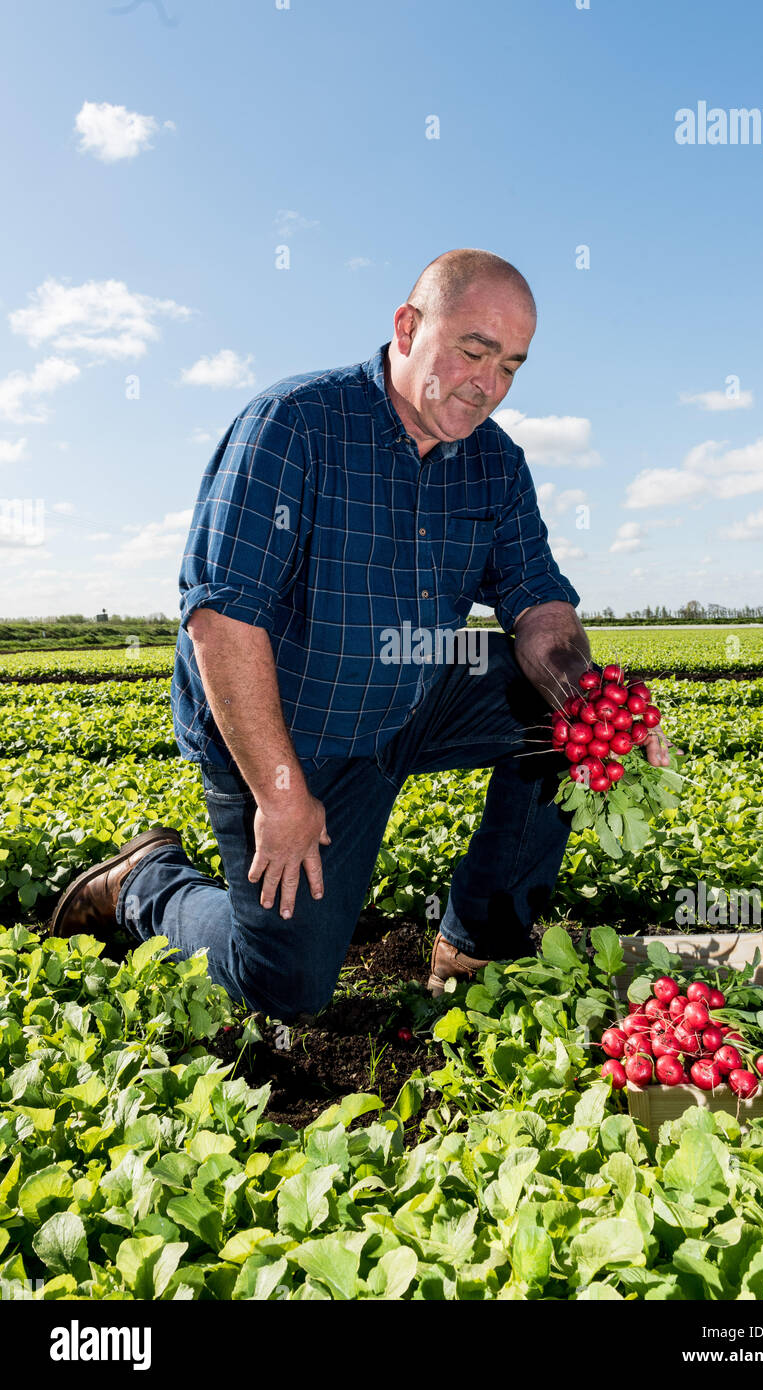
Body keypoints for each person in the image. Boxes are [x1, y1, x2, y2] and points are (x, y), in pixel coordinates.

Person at [50, 248, 668, 1018]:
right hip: (292, 724)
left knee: (564, 719)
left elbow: (537, 603)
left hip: (412, 695)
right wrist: (281, 794)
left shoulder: (494, 465)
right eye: (473, 351)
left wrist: (589, 700)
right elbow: (221, 621)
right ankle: (147, 884)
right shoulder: (295, 425)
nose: (489, 384)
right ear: (407, 327)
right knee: (286, 986)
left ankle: (478, 939)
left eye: (510, 365)